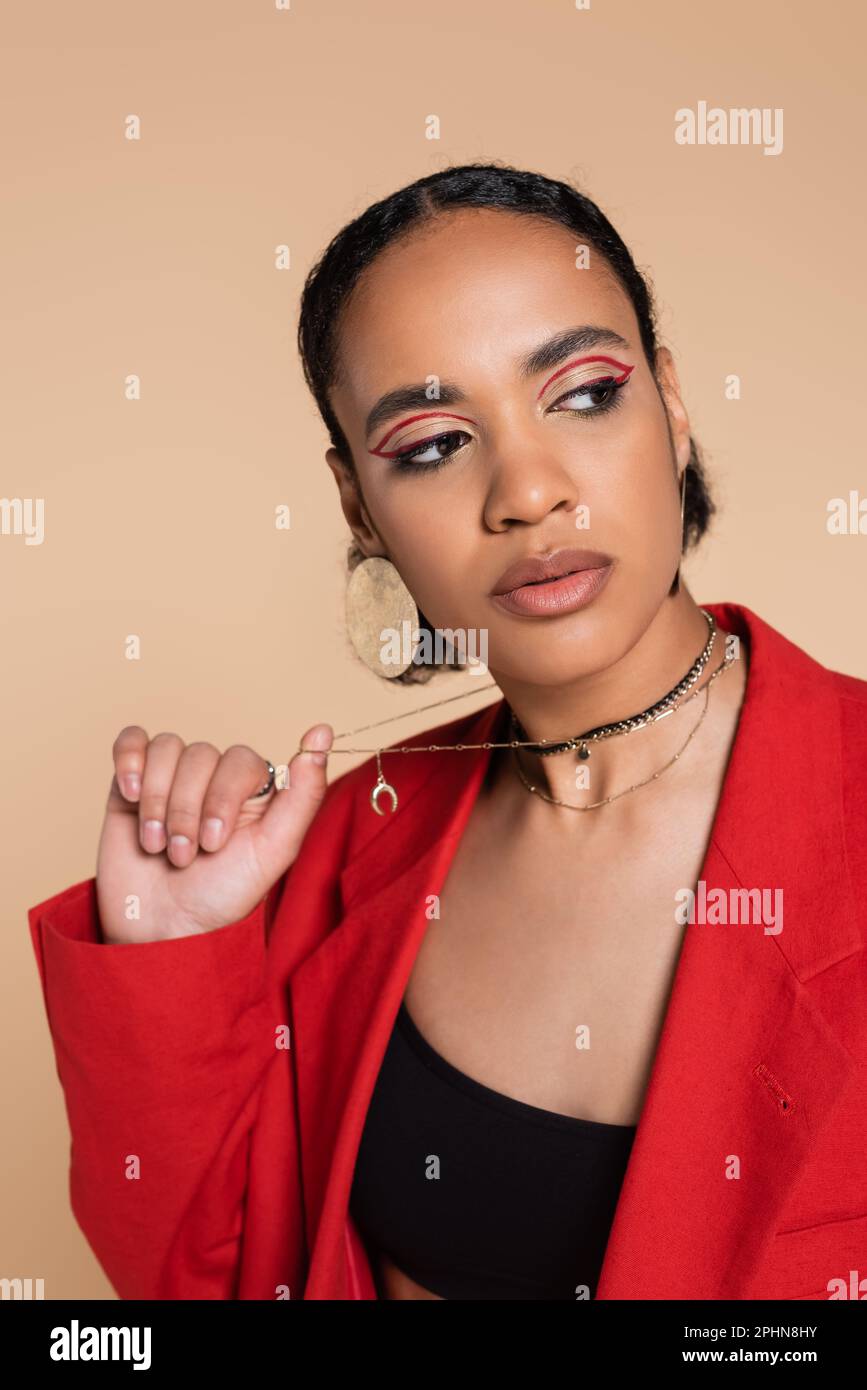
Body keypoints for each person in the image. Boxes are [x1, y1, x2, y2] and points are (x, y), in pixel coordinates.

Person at [28, 164, 867, 1301]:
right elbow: (213, 1283)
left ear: (671, 406)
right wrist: (173, 958)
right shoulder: (339, 851)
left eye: (581, 392)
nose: (526, 490)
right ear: (358, 508)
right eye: (431, 444)